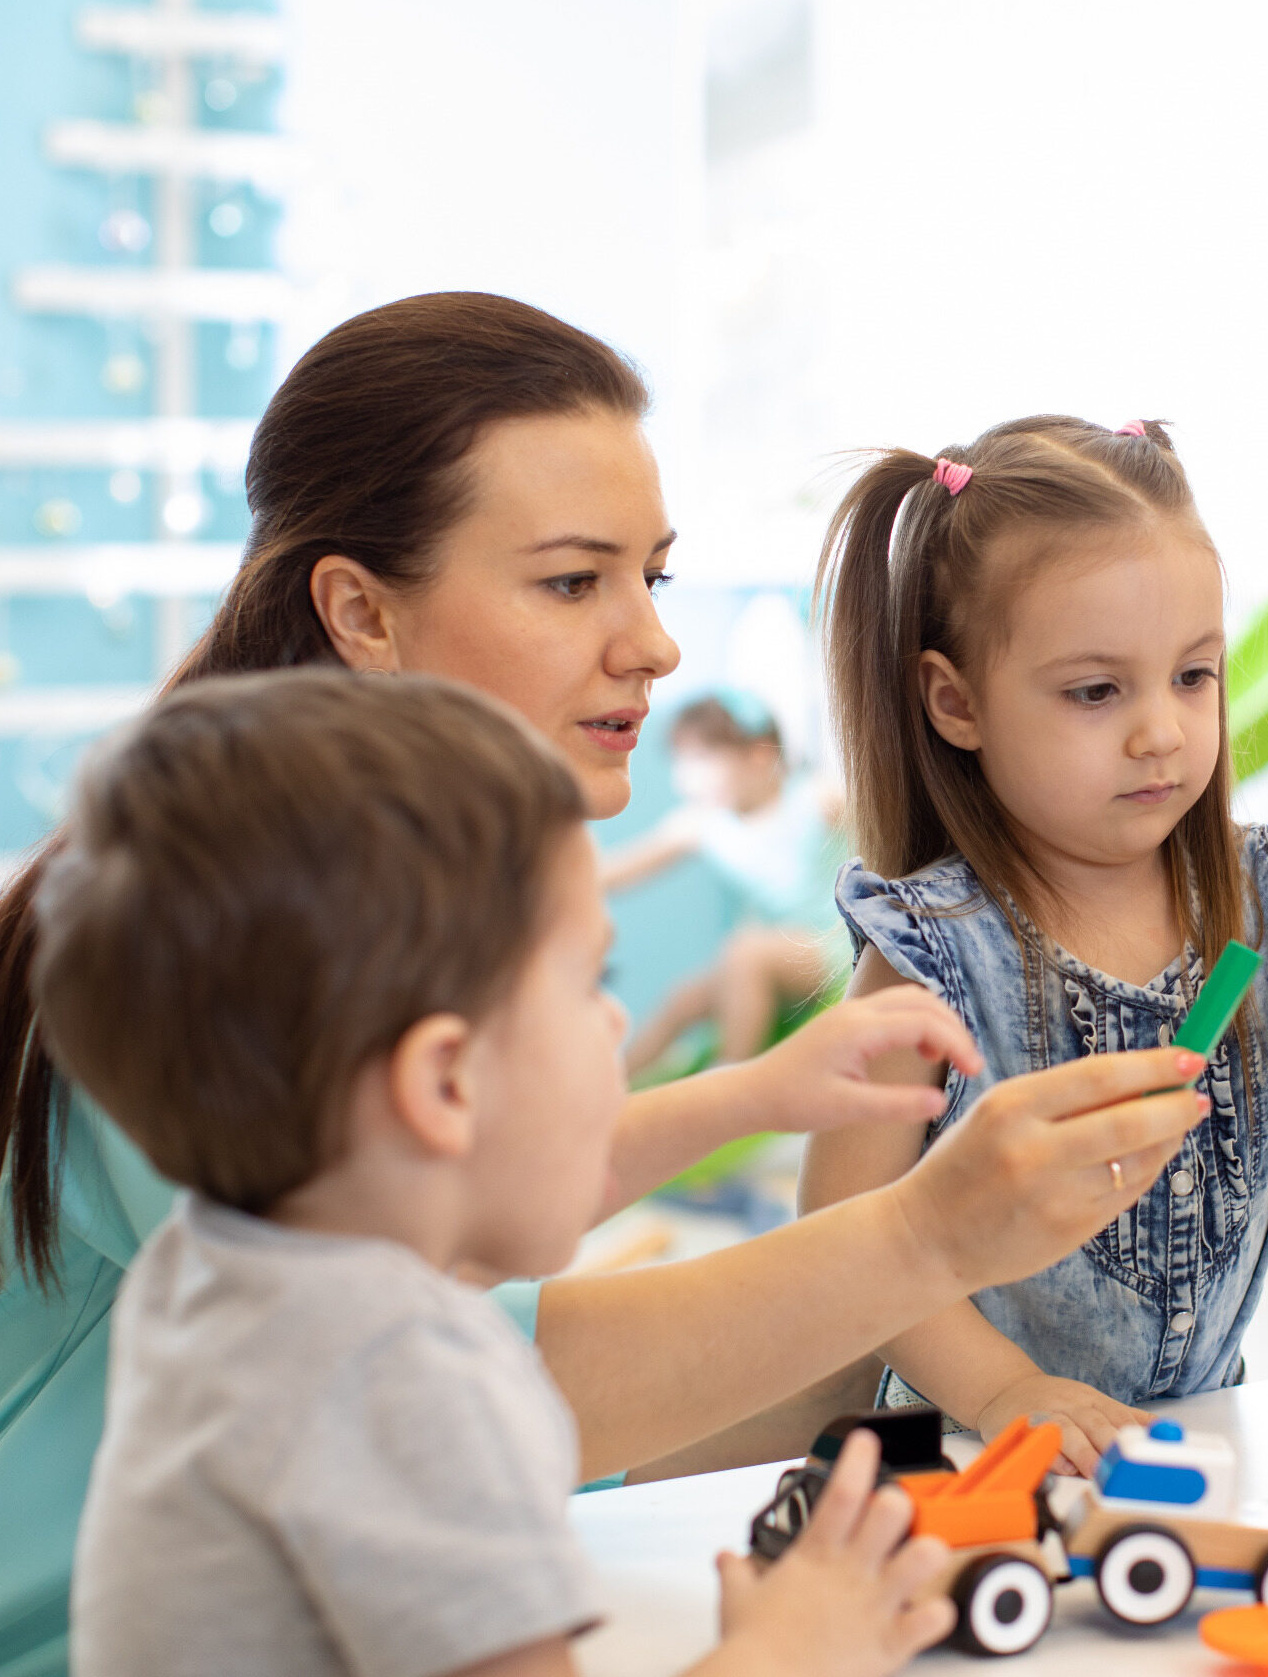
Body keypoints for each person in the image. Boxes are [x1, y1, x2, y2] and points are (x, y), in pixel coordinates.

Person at [0, 295, 1205, 1675]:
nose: (654, 646)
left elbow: (444, 1196)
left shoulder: (296, 902)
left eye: (655, 579)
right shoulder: (227, 955)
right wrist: (926, 1240)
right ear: (361, 612)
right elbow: (463, 1366)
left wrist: (747, 1103)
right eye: (575, 583)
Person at [52, 671, 1029, 1676]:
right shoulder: (411, 1387)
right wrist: (792, 1647)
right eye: (591, 983)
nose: (617, 1020)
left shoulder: (229, 1266)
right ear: (445, 1082)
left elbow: (503, 1187)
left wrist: (755, 1094)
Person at [801, 417, 1268, 1475]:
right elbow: (840, 1240)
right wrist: (1003, 1389)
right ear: (956, 703)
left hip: (1195, 1449)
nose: (1161, 731)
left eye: (1194, 675)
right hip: (965, 1456)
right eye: (1096, 691)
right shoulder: (926, 952)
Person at [602, 692, 848, 1076]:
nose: (686, 778)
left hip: (835, 948)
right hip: (776, 952)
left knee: (745, 950)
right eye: (680, 761)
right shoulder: (705, 823)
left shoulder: (816, 800)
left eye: (701, 759)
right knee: (685, 999)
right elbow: (618, 872)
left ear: (758, 754)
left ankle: (731, 1073)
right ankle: (613, 1083)